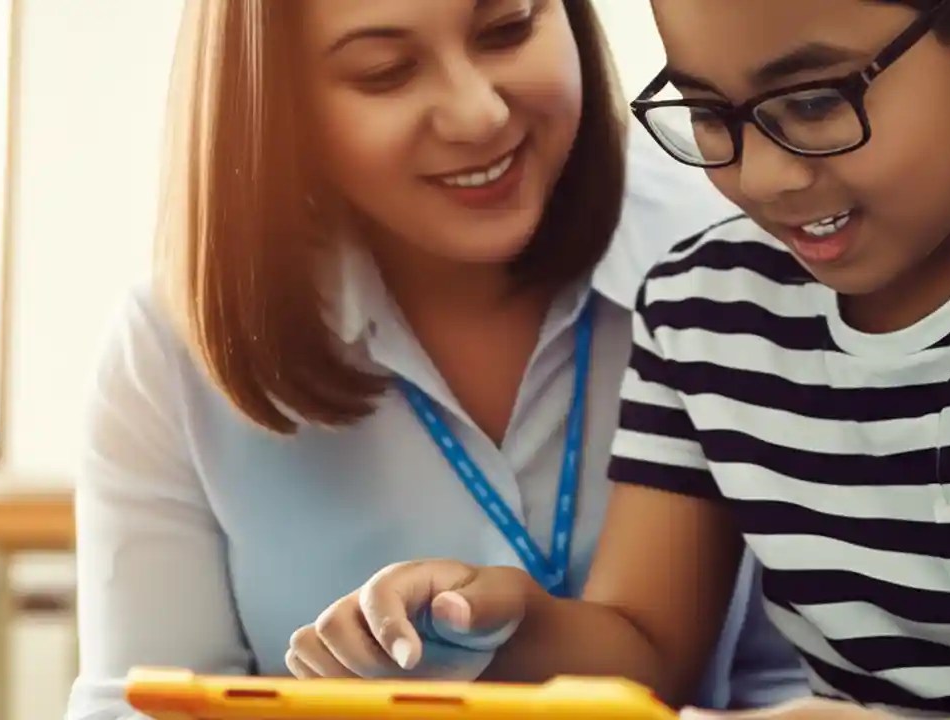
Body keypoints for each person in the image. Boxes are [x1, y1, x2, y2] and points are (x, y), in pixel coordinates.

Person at [292, 0, 950, 717]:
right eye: (710, 114)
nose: (763, 178)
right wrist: (491, 622)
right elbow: (647, 647)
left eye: (815, 104)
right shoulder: (703, 307)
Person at [65, 1, 811, 718]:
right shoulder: (168, 353)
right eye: (385, 71)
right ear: (275, 103)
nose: (478, 113)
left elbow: (811, 679)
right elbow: (141, 706)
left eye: (507, 29)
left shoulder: (750, 261)